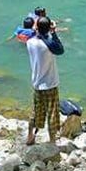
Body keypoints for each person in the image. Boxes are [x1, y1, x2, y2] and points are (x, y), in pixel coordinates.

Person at [26, 17, 64, 145]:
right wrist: (53, 32)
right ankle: (52, 140)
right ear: (48, 28)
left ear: (36, 28)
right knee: (52, 112)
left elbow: (35, 34)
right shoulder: (49, 45)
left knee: (36, 111)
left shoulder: (30, 42)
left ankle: (30, 135)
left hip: (37, 84)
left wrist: (38, 28)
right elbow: (60, 49)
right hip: (50, 84)